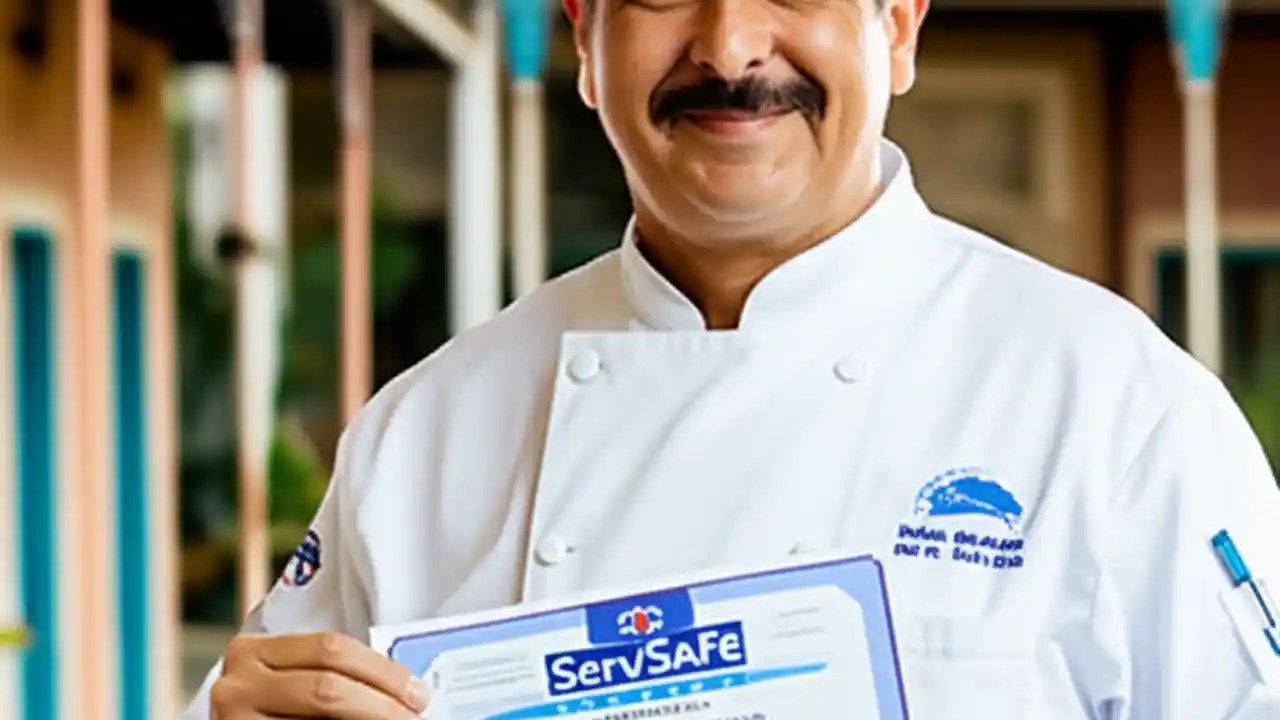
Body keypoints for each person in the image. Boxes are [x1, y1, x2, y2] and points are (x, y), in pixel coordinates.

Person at [189, 0, 1280, 715]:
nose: (728, 47)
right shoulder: (424, 433)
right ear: (582, 36)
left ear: (896, 27)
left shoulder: (1117, 415)